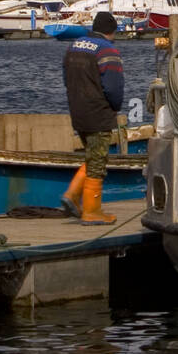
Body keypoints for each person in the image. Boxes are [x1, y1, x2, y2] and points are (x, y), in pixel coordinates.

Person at [61, 11, 123, 224]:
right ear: (112, 31)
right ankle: (92, 210)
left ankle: (72, 195)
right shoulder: (108, 50)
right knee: (98, 161)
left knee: (91, 154)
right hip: (98, 112)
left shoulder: (74, 46)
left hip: (77, 110)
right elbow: (114, 88)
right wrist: (115, 107)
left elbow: (65, 79)